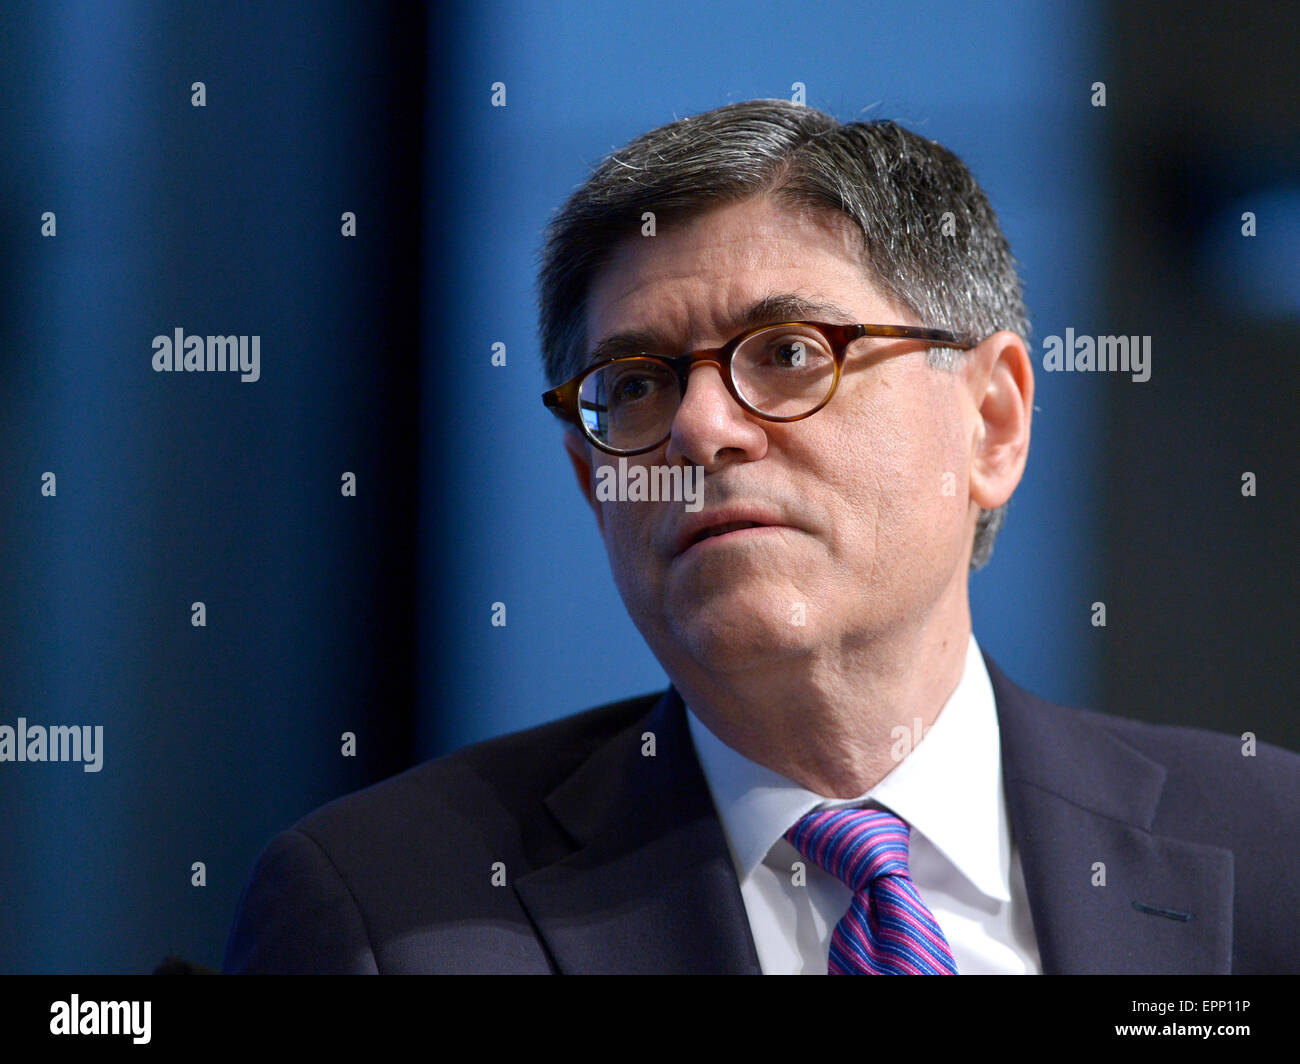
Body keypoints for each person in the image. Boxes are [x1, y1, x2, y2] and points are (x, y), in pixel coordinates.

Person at [223, 99, 1299, 974]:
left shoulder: (1270, 851)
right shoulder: (386, 913)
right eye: (634, 385)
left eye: (787, 352)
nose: (698, 426)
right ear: (593, 477)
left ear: (991, 422)